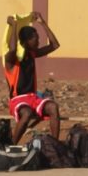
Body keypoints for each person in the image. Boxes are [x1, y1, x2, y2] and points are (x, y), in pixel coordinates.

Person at [4, 12, 61, 144]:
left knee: (53, 107)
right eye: (35, 38)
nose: (39, 41)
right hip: (17, 101)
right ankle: (11, 145)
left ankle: (55, 144)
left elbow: (55, 45)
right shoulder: (11, 60)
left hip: (33, 97)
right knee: (27, 113)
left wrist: (42, 23)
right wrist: (13, 26)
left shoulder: (32, 54)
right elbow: (12, 49)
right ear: (26, 41)